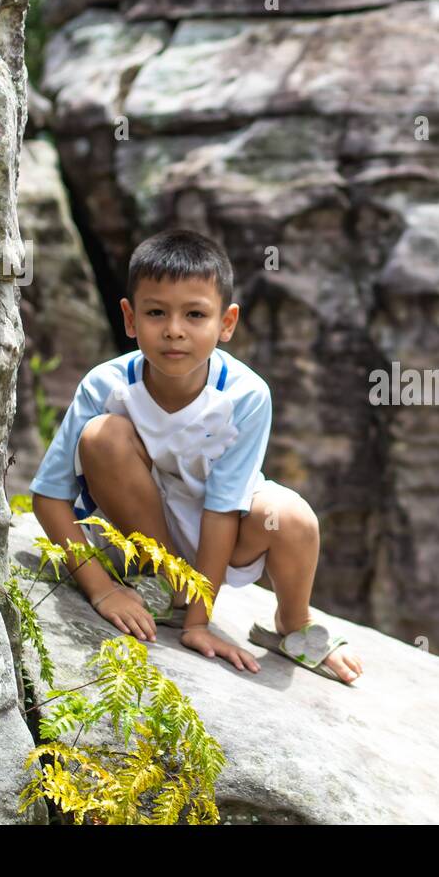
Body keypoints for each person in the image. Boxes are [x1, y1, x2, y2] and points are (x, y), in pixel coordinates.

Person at [29, 229, 363, 685]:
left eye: (194, 314)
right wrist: (101, 589)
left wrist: (199, 623)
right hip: (140, 534)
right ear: (129, 318)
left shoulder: (245, 395)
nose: (174, 329)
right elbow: (49, 496)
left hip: (220, 532)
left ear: (226, 323)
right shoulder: (106, 385)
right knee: (102, 436)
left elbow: (224, 506)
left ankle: (293, 622)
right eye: (155, 312)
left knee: (292, 517)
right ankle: (159, 584)